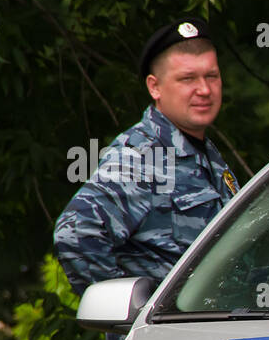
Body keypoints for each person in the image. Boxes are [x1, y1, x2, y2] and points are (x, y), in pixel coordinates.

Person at [54, 16, 241, 307]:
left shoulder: (205, 154)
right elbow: (75, 233)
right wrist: (134, 315)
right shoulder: (141, 156)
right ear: (155, 87)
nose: (204, 90)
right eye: (187, 79)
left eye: (211, 76)